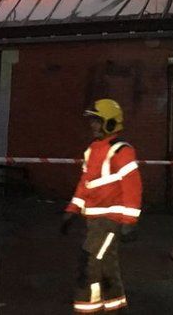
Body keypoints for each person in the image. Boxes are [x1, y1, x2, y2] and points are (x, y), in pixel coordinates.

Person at [61, 99, 143, 313]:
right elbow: (85, 184)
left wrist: (129, 222)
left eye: (98, 121)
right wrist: (72, 210)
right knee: (105, 265)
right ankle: (115, 307)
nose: (93, 126)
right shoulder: (92, 150)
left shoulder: (120, 150)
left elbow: (132, 187)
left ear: (110, 123)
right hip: (95, 221)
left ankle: (87, 309)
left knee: (90, 264)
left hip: (110, 221)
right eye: (93, 121)